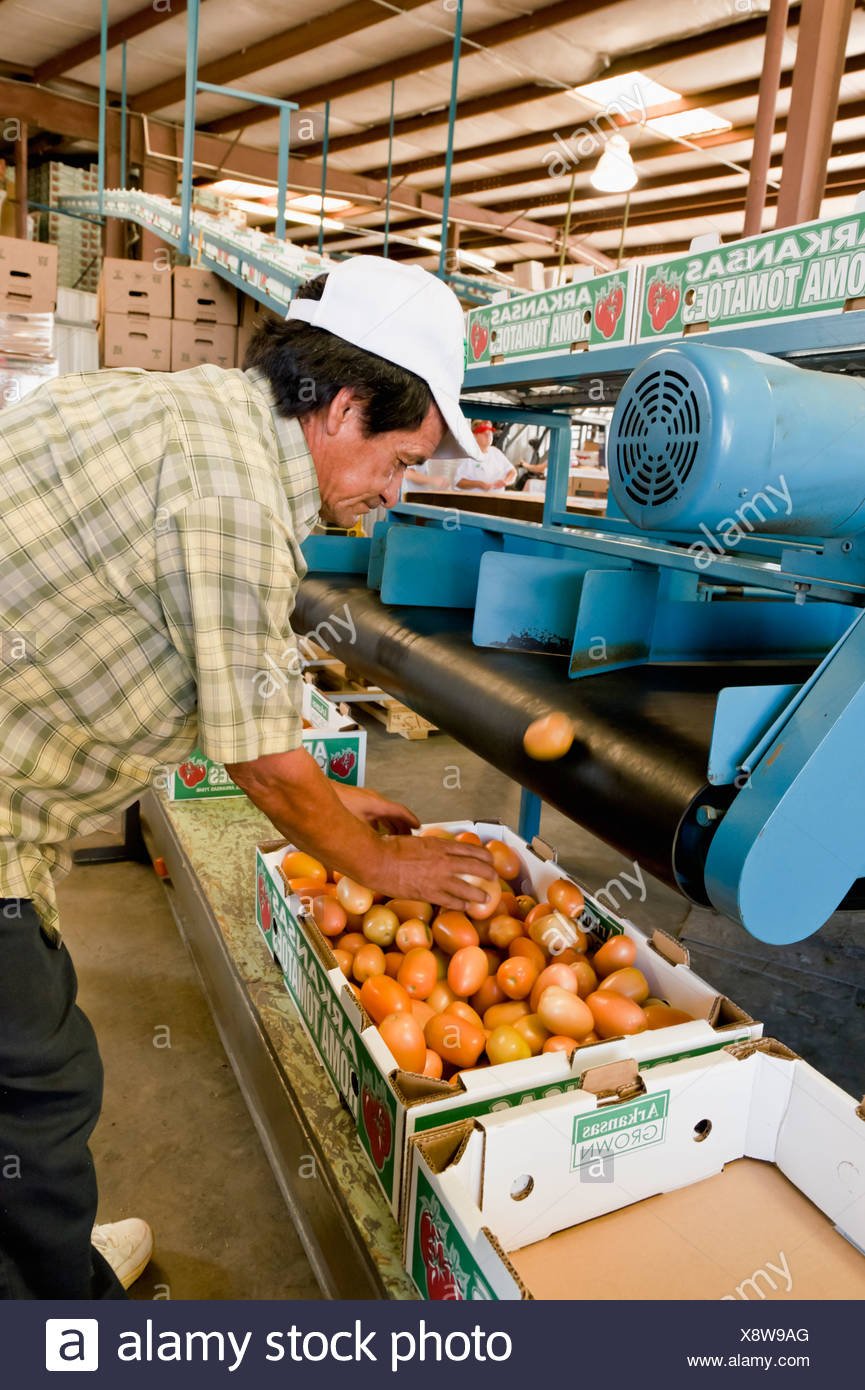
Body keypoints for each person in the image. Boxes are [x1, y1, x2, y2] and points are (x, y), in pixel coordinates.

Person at [0, 255, 494, 1299]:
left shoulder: (187, 408)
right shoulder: (233, 499)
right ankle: (57, 1319)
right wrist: (382, 866)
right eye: (398, 460)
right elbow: (263, 765)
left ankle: (44, 1259)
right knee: (36, 1094)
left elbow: (158, 646)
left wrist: (335, 796)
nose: (391, 493)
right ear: (344, 405)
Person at [453, 420, 519, 491]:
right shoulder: (467, 455)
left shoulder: (496, 452)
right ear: (474, 436)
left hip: (497, 499)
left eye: (490, 432)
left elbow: (512, 471)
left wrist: (506, 481)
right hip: (474, 499)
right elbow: (457, 482)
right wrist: (478, 484)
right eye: (484, 432)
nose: (488, 435)